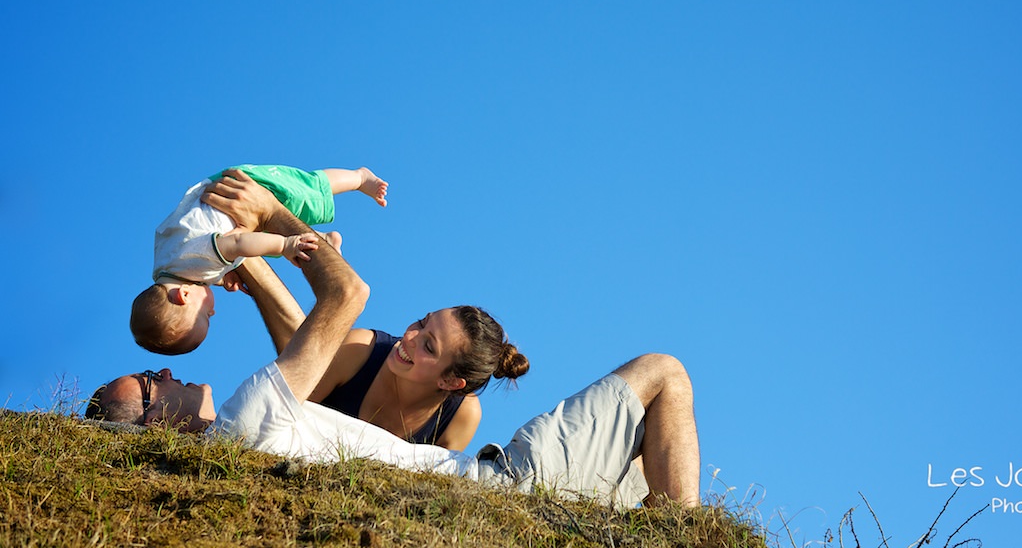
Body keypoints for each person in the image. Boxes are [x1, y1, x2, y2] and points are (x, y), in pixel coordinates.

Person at [89, 169, 700, 507]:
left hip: (510, 494)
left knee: (647, 473)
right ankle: (689, 532)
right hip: (505, 485)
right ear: (155, 427)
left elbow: (306, 349)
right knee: (664, 372)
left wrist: (235, 257)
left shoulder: (245, 430)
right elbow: (346, 297)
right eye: (147, 383)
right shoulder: (240, 425)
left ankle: (675, 525)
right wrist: (270, 212)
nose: (163, 372)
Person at [237, 253, 528, 450]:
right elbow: (281, 407)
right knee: (301, 347)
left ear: (450, 382)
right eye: (422, 322)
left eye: (428, 346)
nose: (409, 337)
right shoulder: (360, 350)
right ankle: (239, 251)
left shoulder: (460, 416)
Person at [131, 164, 388, 356]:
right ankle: (323, 239)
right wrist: (222, 274)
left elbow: (237, 243)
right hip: (231, 208)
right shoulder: (168, 268)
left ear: (184, 295)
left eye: (206, 315)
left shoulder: (193, 260)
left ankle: (359, 178)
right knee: (267, 243)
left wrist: (285, 245)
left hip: (243, 188)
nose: (213, 311)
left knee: (305, 193)